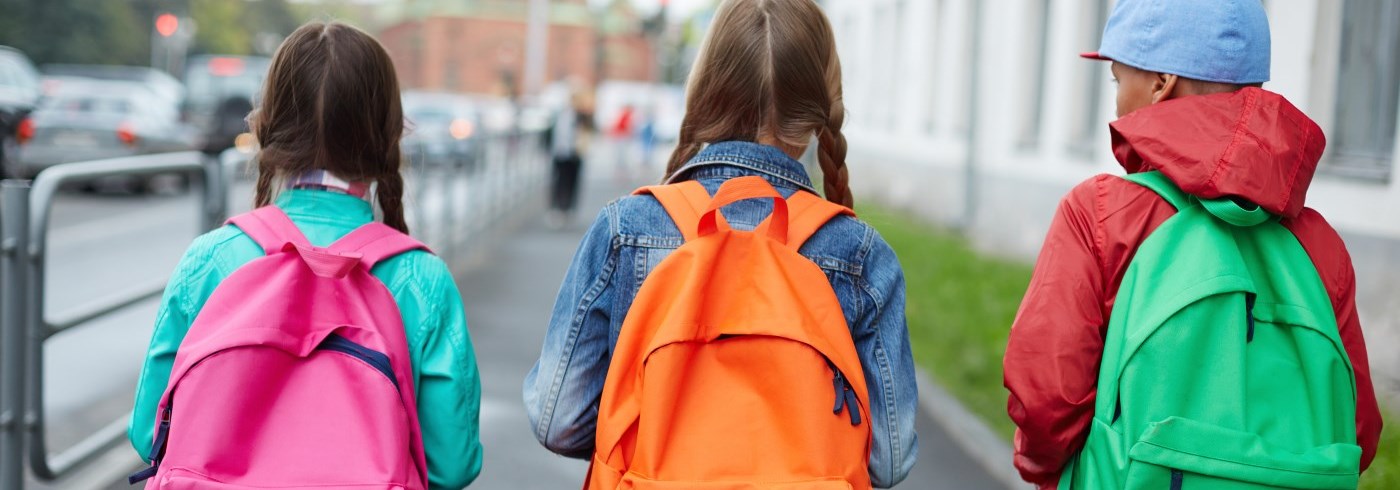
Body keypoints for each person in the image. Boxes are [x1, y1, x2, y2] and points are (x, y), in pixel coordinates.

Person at [523, 0, 918, 487]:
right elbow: (889, 459)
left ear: (707, 87)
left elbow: (559, 420)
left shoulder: (626, 229)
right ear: (819, 105)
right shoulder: (860, 256)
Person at [1003, 1, 1383, 488]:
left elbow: (1045, 400)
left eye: (1119, 81)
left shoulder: (1101, 214)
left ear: (1160, 83)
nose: (1116, 103)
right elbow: (1358, 429)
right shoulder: (1320, 246)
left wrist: (1049, 470)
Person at [128, 21, 483, 490]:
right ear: (387, 133)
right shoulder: (421, 279)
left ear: (269, 125)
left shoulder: (211, 259)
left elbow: (149, 432)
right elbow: (451, 463)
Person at [548, 88, 586, 227]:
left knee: (572, 182)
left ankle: (568, 208)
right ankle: (557, 208)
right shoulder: (559, 114)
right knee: (559, 181)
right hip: (560, 153)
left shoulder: (581, 116)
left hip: (575, 154)